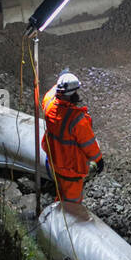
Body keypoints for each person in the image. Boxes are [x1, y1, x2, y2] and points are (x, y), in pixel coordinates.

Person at [41, 71, 104, 204]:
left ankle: (59, 209)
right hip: (70, 167)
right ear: (72, 94)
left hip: (54, 159)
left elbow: (53, 92)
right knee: (72, 202)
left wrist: (63, 79)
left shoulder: (48, 103)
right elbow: (88, 143)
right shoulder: (76, 119)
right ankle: (68, 221)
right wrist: (98, 160)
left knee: (61, 190)